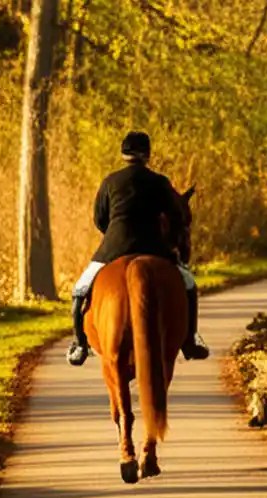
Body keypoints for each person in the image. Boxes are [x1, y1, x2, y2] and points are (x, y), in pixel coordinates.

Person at [67, 131, 209, 367]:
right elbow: (175, 216)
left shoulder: (109, 182)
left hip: (113, 249)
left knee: (79, 290)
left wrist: (114, 235)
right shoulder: (160, 182)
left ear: (123, 154)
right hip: (154, 249)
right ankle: (190, 340)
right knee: (189, 286)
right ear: (147, 155)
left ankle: (80, 344)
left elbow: (99, 219)